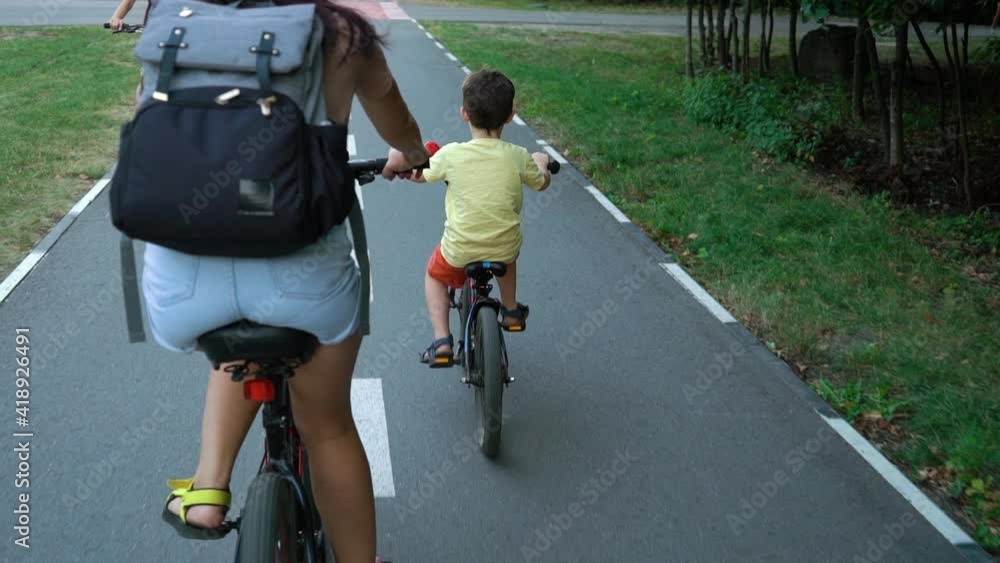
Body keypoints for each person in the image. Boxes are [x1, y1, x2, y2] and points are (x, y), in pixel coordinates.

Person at [142, 2, 428, 562]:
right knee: (327, 427)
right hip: (305, 282)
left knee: (231, 324)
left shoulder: (173, 32)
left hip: (181, 282)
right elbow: (395, 118)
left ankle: (208, 485)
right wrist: (411, 154)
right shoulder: (343, 34)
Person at [390, 69, 552, 366]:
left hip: (460, 250)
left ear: (464, 114)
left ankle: (441, 341)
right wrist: (540, 162)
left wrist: (411, 165)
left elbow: (421, 175)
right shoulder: (518, 155)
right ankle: (512, 311)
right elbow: (541, 182)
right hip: (504, 247)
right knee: (508, 252)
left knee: (435, 275)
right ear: (510, 116)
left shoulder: (450, 155)